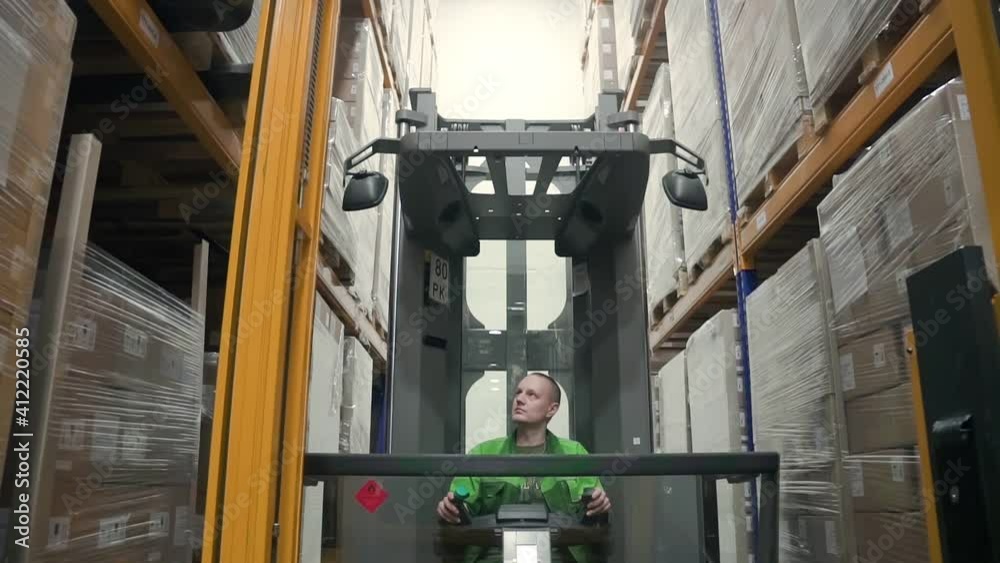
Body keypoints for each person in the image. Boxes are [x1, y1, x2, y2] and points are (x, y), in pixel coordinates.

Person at [436, 372, 611, 562]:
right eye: (518, 392)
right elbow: (462, 508)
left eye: (531, 394)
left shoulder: (574, 453)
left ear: (551, 409)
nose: (519, 399)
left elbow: (594, 508)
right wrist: (452, 509)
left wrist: (599, 505)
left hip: (559, 555)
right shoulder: (483, 452)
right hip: (495, 555)